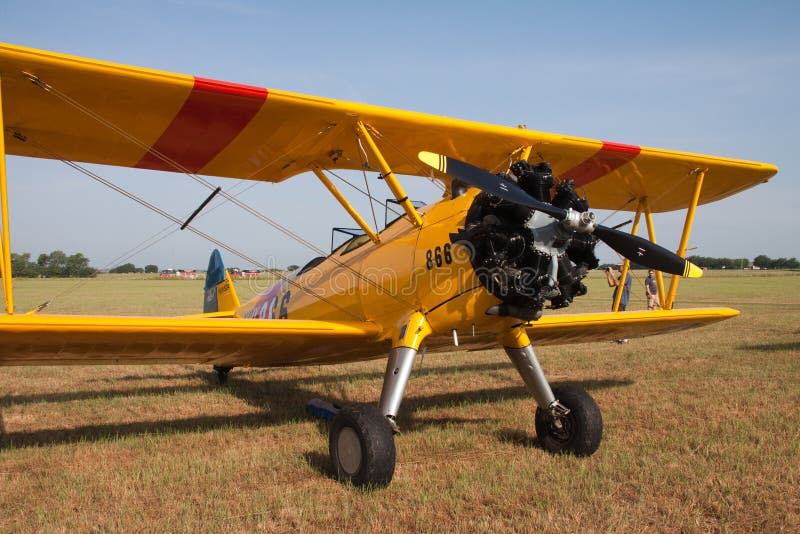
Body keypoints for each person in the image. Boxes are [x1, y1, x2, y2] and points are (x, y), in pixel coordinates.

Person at [605, 264, 632, 343]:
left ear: (624, 268)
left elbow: (618, 284)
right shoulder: (621, 276)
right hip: (616, 300)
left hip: (621, 300)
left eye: (620, 266)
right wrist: (608, 275)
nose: (618, 267)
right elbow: (611, 284)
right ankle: (618, 337)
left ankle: (624, 337)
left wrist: (613, 274)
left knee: (621, 319)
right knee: (616, 319)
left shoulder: (627, 276)